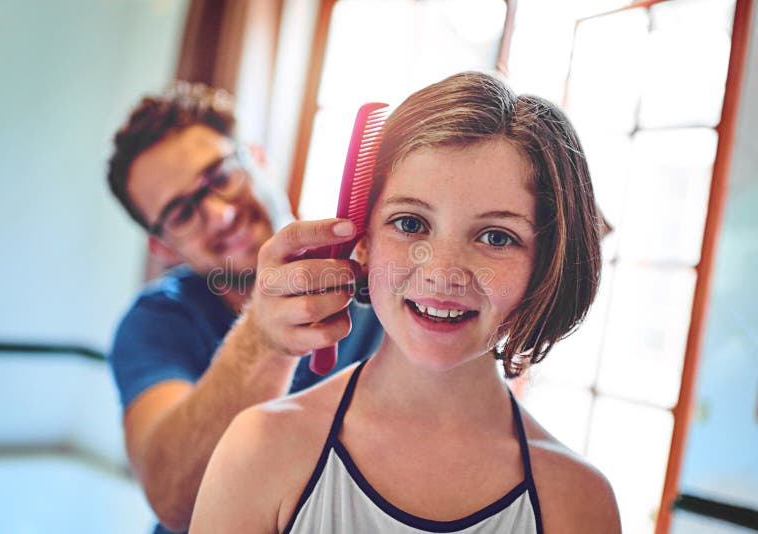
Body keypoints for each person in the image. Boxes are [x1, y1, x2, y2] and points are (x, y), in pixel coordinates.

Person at [190, 71, 622, 533]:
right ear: (363, 240)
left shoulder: (578, 503)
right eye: (411, 223)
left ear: (546, 266)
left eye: (497, 236)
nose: (441, 272)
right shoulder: (261, 449)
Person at [106, 82, 384, 533]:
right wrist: (263, 336)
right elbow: (174, 498)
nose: (219, 214)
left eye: (219, 177)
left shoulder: (378, 277)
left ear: (257, 158)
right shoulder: (157, 322)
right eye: (181, 213)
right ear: (163, 245)